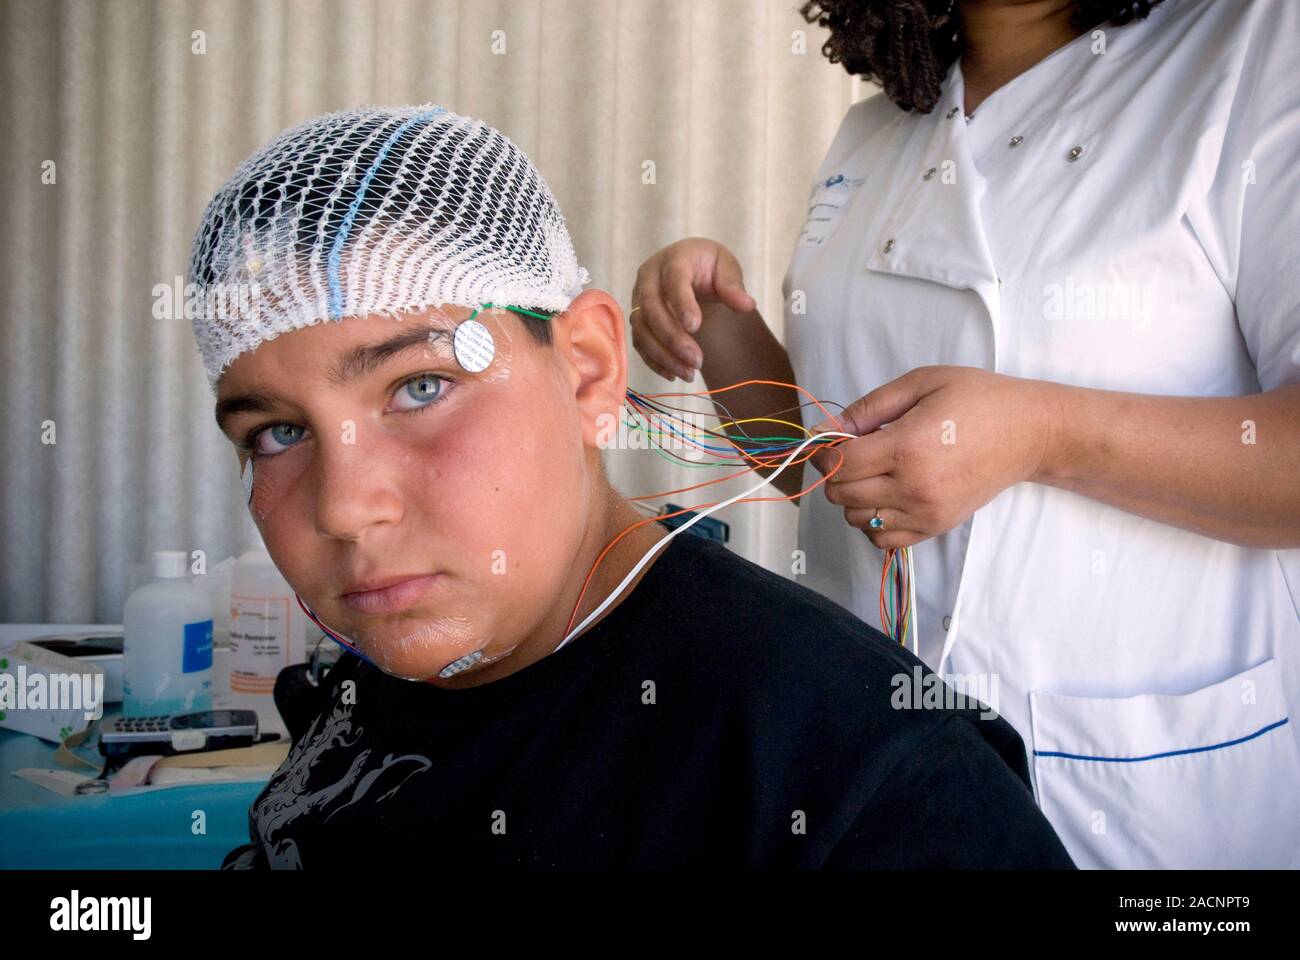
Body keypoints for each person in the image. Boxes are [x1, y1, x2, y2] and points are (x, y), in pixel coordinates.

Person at [187, 104, 1074, 869]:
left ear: (587, 370)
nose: (343, 506)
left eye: (421, 387)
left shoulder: (868, 784)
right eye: (278, 432)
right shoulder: (387, 666)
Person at [630, 0, 1300, 869]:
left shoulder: (1254, 50)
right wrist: (720, 329)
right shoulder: (880, 130)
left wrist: (1043, 435)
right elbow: (822, 467)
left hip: (1144, 802)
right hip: (871, 773)